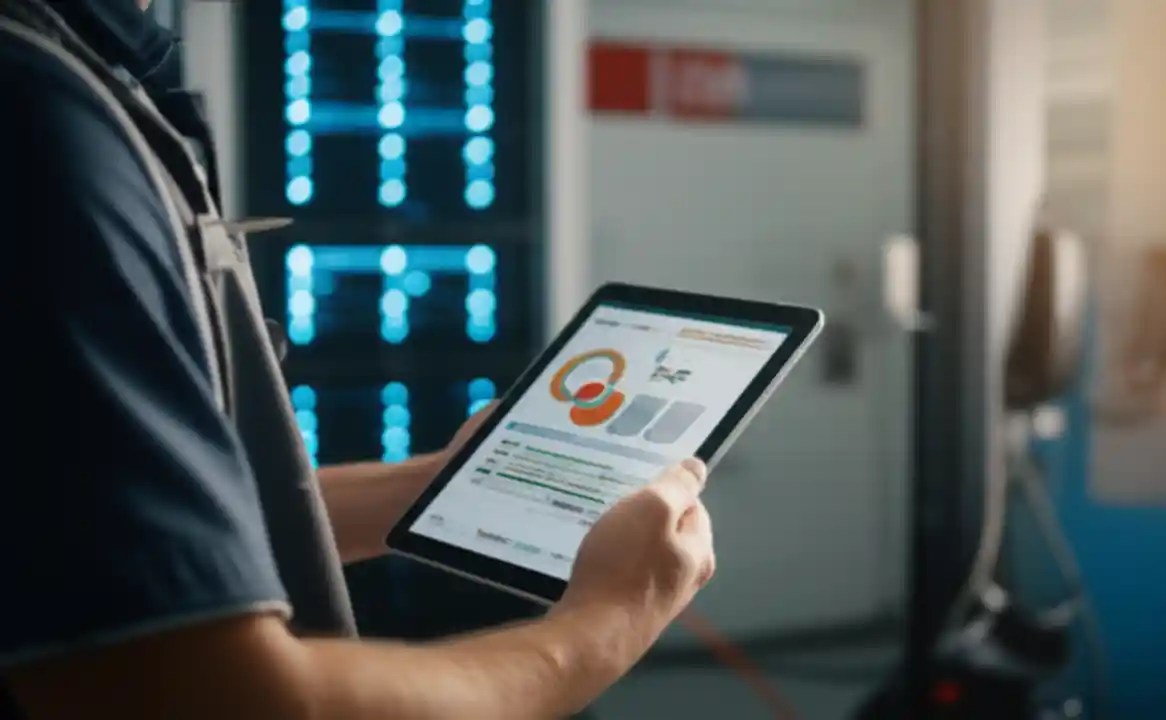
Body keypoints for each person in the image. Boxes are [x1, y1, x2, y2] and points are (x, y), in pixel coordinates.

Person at [0, 0, 716, 717]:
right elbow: (224, 700)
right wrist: (605, 625)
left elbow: (107, 540)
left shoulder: (69, 84)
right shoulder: (42, 122)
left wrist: (440, 485)